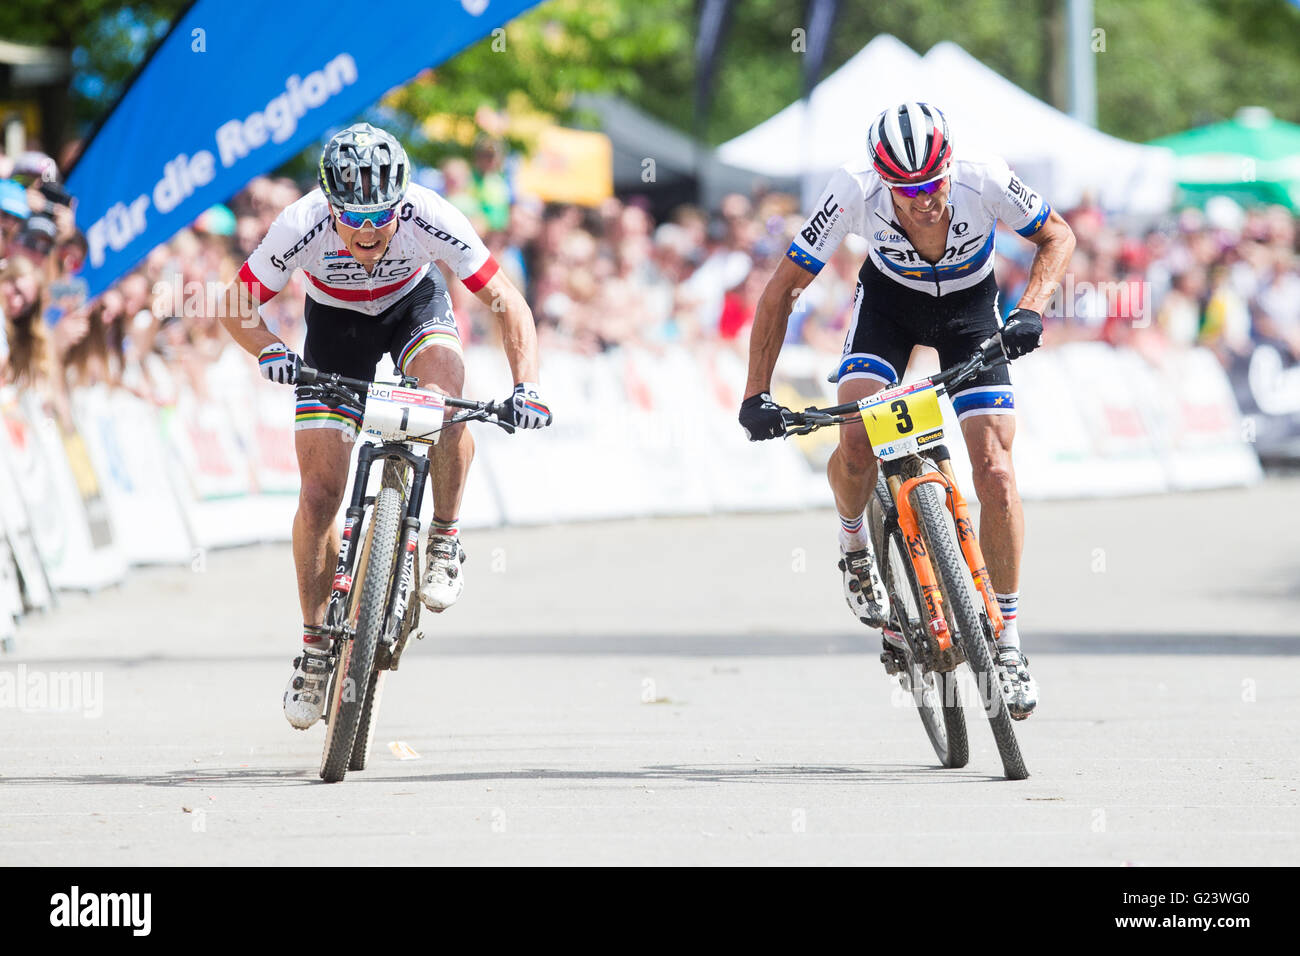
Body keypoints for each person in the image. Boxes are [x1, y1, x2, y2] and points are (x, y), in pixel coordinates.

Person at [737, 102, 1076, 718]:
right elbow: (783, 289)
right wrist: (755, 392)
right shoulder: (851, 188)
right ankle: (854, 545)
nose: (923, 199)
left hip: (972, 308)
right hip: (888, 308)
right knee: (857, 435)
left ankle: (1006, 640)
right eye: (907, 189)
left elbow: (1059, 235)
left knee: (996, 470)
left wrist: (1031, 306)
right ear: (883, 180)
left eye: (932, 183)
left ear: (950, 165)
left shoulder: (984, 175)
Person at [214, 123, 552, 730]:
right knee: (319, 495)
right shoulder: (299, 222)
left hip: (414, 308)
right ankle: (316, 647)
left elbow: (507, 300)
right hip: (334, 328)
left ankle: (444, 536)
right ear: (329, 205)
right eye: (354, 219)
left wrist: (525, 386)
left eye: (381, 218)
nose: (368, 233)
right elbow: (235, 305)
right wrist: (268, 348)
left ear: (402, 203)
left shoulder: (431, 213)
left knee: (448, 406)